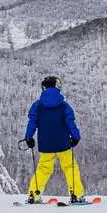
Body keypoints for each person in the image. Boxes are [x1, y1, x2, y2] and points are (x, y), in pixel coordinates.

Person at [21, 76, 87, 204]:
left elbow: (32, 122)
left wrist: (28, 138)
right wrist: (76, 137)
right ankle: (76, 195)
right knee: (70, 167)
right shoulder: (64, 106)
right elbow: (70, 122)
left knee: (43, 169)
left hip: (46, 145)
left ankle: (33, 195)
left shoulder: (38, 106)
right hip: (63, 144)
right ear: (57, 87)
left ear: (44, 87)